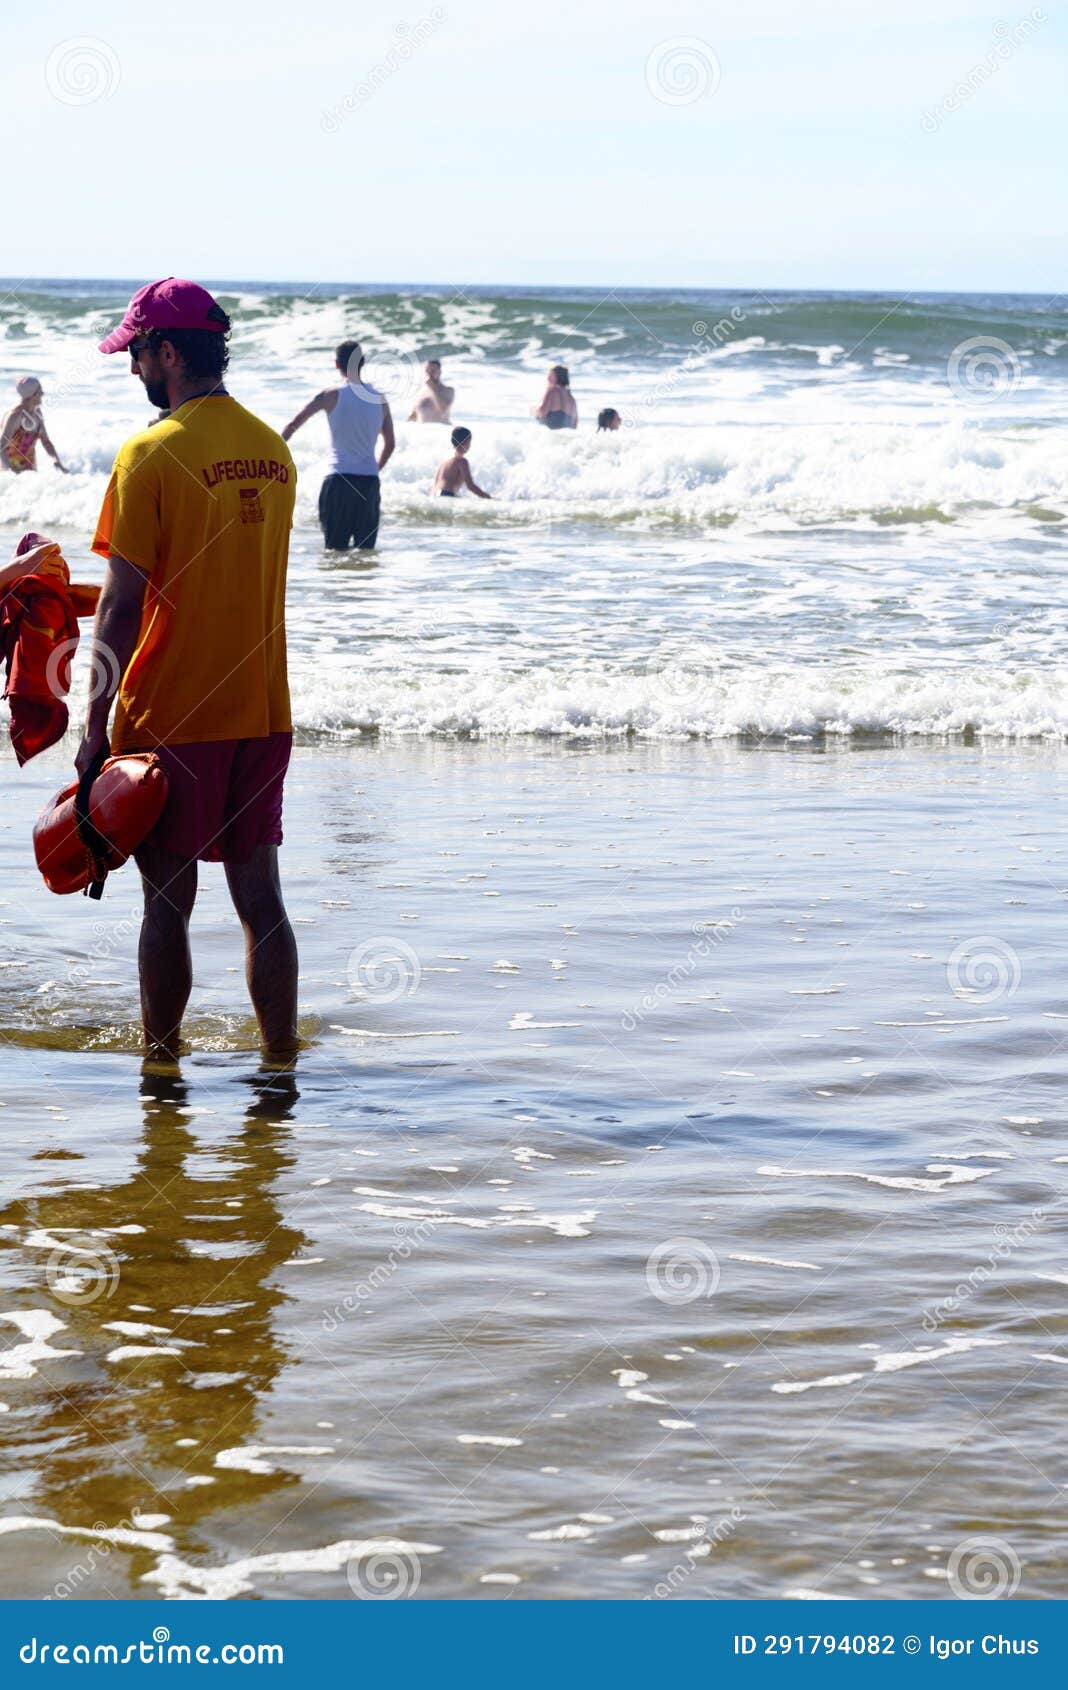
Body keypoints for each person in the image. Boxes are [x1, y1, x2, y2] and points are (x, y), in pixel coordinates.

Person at [76, 276, 299, 1062]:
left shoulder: (150, 453)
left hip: (171, 714)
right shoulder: (273, 450)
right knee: (261, 899)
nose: (132, 369)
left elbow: (123, 604)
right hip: (262, 711)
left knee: (166, 902)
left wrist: (91, 724)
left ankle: (162, 1075)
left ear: (168, 352)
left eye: (136, 354)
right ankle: (278, 1070)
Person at [281, 341, 394, 551]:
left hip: (339, 481)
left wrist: (273, 455)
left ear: (337, 364)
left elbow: (293, 425)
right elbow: (390, 443)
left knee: (335, 552)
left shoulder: (330, 395)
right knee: (365, 552)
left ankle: (339, 584)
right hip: (369, 483)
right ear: (363, 362)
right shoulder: (380, 399)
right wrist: (375, 469)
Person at [1, 376, 68, 473]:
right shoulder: (14, 416)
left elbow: (46, 441)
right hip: (11, 473)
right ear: (32, 395)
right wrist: (11, 472)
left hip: (29, 471)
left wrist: (57, 461)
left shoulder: (37, 414)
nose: (43, 393)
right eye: (40, 391)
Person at [433, 427, 492, 499]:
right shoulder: (462, 461)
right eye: (470, 442)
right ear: (466, 442)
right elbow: (471, 486)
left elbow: (435, 485)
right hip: (448, 495)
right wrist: (489, 498)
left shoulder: (444, 463)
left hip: (435, 496)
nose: (470, 445)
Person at [408, 359, 454, 424]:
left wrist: (433, 389)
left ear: (440, 372)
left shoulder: (448, 390)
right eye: (427, 371)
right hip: (424, 431)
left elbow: (443, 410)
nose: (429, 374)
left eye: (432, 371)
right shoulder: (420, 391)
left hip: (442, 430)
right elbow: (413, 416)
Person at [534, 365, 577, 431]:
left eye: (551, 375)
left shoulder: (553, 391)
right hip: (567, 434)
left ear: (558, 377)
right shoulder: (572, 398)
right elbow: (575, 423)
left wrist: (534, 411)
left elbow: (542, 412)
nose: (548, 378)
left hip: (553, 433)